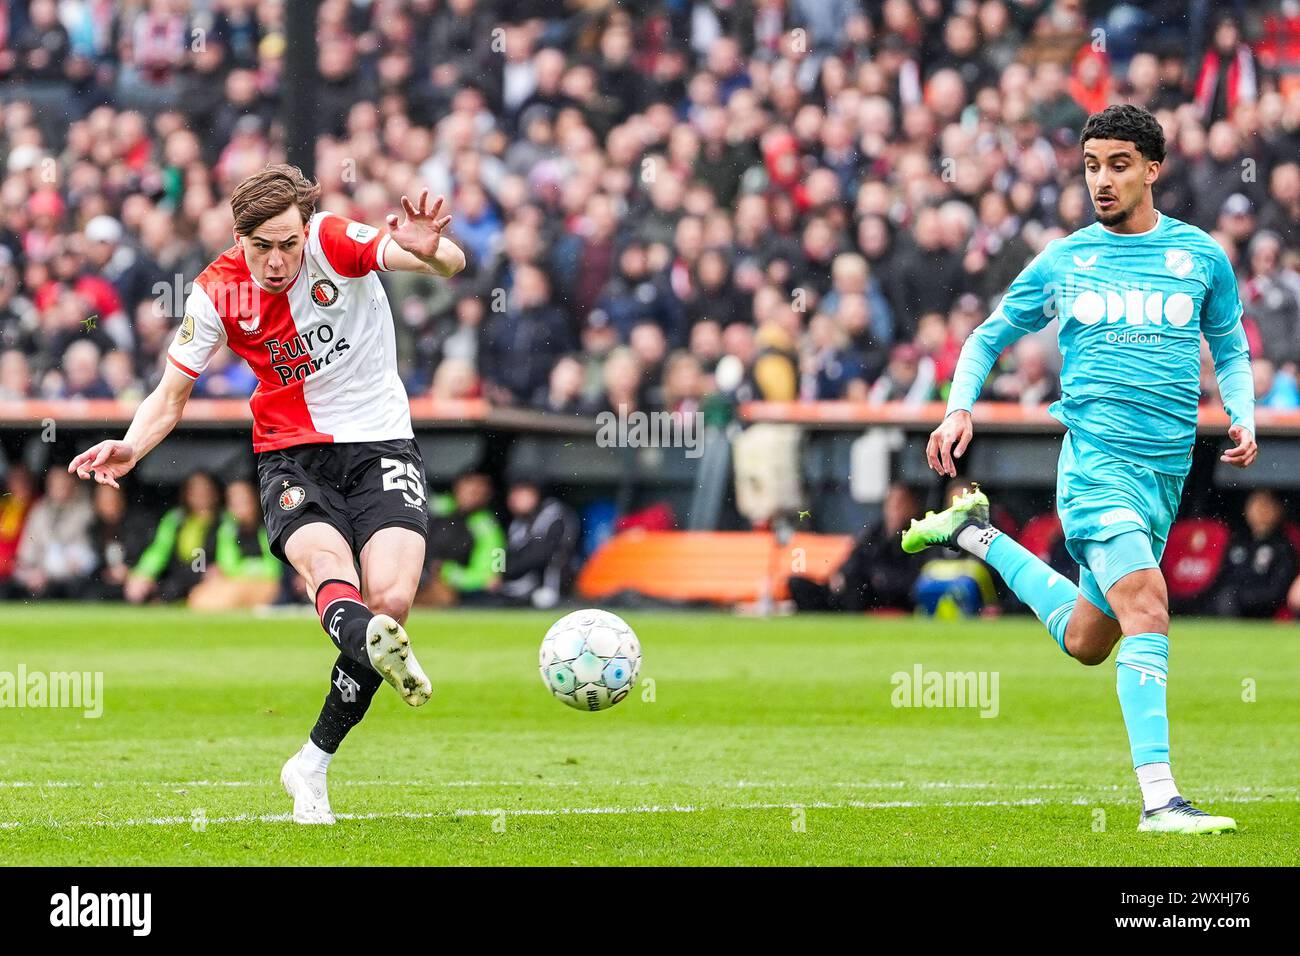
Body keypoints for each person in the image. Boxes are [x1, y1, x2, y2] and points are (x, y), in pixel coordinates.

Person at [67, 164, 466, 825]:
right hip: (291, 455)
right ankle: (367, 639)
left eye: (288, 243)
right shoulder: (214, 294)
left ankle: (311, 763)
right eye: (261, 246)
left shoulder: (336, 241)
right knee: (330, 573)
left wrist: (432, 250)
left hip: (382, 446)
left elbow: (438, 259)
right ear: (237, 238)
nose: (277, 260)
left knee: (391, 601)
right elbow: (171, 395)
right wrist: (131, 448)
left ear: (304, 230)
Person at [904, 106, 1255, 834]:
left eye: (1119, 163)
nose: (1102, 178)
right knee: (1150, 606)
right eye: (1092, 164)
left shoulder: (1200, 258)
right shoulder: (1066, 260)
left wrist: (1241, 411)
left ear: (1153, 169)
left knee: (1090, 641)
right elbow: (988, 333)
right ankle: (1161, 800)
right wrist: (958, 406)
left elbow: (1230, 345)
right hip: (1095, 470)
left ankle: (978, 535)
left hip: (1162, 478)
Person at [788, 483, 923, 612]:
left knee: (858, 584)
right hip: (850, 590)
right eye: (891, 503)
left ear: (912, 507)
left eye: (900, 503)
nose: (894, 509)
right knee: (798, 584)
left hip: (880, 595)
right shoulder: (876, 532)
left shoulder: (918, 536)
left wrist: (876, 578)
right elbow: (856, 556)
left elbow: (910, 579)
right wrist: (840, 574)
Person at [125, 471, 223, 604]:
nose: (201, 495)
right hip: (178, 579)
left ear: (215, 493)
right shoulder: (175, 520)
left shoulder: (225, 521)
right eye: (195, 490)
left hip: (210, 579)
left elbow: (229, 551)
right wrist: (143, 573)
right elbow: (159, 551)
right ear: (187, 493)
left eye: (205, 490)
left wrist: (224, 570)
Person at [187, 479, 282, 611]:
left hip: (264, 582)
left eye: (244, 501)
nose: (240, 507)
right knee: (198, 596)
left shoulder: (269, 527)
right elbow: (227, 565)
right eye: (234, 502)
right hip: (235, 581)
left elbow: (274, 568)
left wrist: (247, 571)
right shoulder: (227, 531)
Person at [1212, 490, 1297, 619]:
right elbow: (1222, 578)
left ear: (1278, 510)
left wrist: (1243, 597)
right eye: (1255, 506)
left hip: (1262, 608)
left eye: (1265, 506)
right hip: (1229, 600)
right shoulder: (1238, 542)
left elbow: (1278, 589)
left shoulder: (1283, 546)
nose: (1260, 512)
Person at [497, 479, 581, 609]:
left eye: (521, 494)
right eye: (512, 495)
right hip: (522, 580)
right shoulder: (516, 523)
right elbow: (501, 550)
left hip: (554, 579)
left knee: (556, 558)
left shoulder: (552, 512)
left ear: (536, 494)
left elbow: (541, 552)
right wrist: (498, 572)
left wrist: (508, 572)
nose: (514, 500)